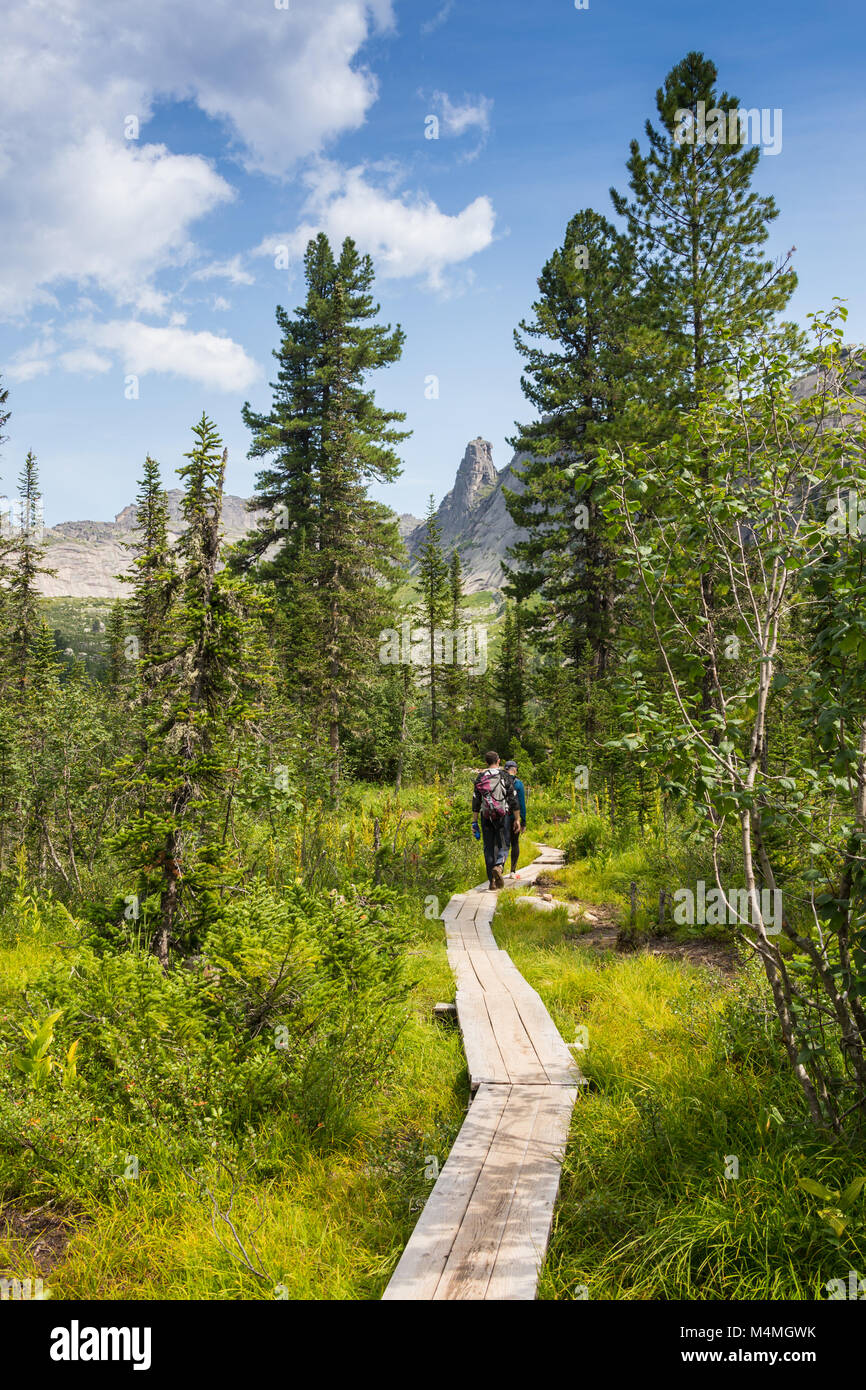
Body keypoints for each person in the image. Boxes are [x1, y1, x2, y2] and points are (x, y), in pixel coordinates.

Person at [472, 751, 520, 890]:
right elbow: (513, 799)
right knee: (504, 845)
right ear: (498, 761)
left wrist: (474, 822)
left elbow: (476, 801)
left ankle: (491, 882)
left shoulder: (481, 777)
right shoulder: (504, 776)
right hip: (502, 815)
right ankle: (499, 866)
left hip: (486, 815)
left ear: (486, 762)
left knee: (488, 848)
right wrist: (517, 819)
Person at [504, 759, 527, 876]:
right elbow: (521, 803)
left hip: (501, 817)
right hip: (514, 818)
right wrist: (523, 821)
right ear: (514, 769)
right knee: (515, 843)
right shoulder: (518, 783)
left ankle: (499, 868)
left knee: (502, 843)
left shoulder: (501, 781)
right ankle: (512, 871)